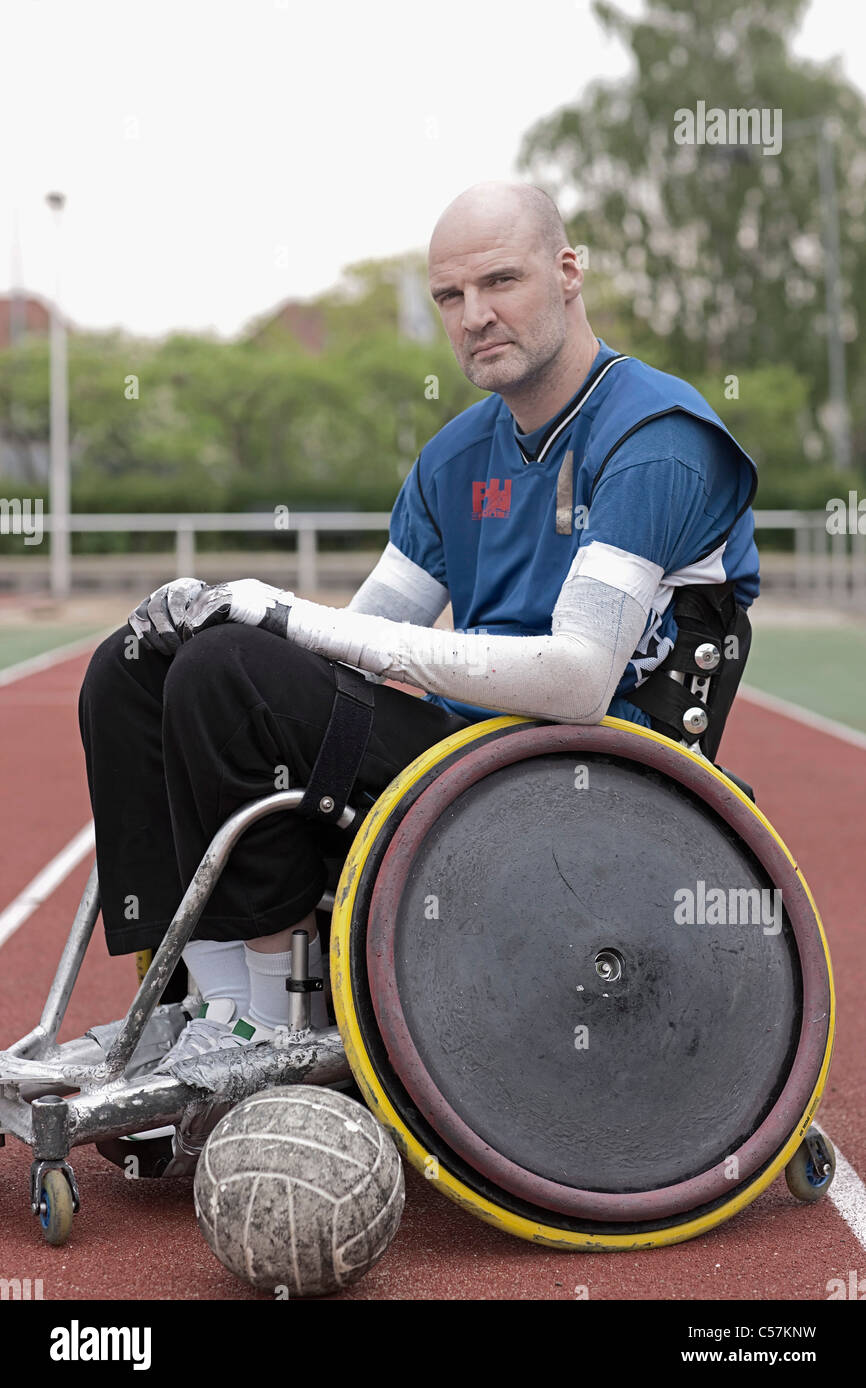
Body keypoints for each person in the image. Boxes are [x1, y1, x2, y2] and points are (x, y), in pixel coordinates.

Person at [78, 181, 759, 1067]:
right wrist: (217, 614)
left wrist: (281, 619)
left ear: (567, 273)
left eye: (500, 283)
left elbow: (578, 679)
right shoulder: (455, 458)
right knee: (144, 663)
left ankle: (263, 1030)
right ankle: (215, 1007)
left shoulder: (657, 435)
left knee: (235, 668)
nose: (475, 316)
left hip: (591, 778)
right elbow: (351, 645)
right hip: (462, 761)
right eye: (451, 296)